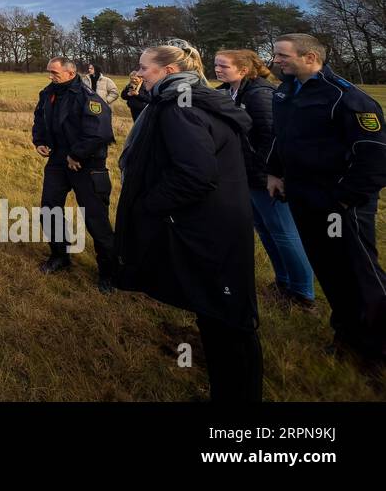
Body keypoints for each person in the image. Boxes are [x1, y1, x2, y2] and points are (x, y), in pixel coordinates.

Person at [115, 43, 261, 402]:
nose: (138, 74)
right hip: (220, 223)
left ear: (167, 71)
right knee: (219, 314)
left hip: (207, 227)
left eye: (144, 68)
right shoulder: (194, 98)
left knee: (226, 321)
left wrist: (149, 205)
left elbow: (195, 174)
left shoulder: (178, 108)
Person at [269, 33, 386, 364]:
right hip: (303, 198)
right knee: (330, 270)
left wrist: (343, 200)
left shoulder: (347, 98)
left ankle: (376, 349)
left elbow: (374, 159)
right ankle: (348, 334)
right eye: (275, 55)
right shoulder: (284, 92)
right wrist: (274, 173)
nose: (275, 61)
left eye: (282, 56)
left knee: (360, 273)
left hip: (340, 205)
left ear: (310, 58)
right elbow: (282, 138)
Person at [215, 48, 315, 310]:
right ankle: (283, 282)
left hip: (265, 176)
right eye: (216, 65)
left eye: (224, 66)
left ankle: (303, 292)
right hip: (248, 173)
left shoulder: (259, 94)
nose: (218, 70)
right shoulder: (231, 91)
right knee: (266, 229)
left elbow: (272, 137)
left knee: (283, 232)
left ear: (244, 69)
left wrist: (270, 174)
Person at [31, 57, 117, 290]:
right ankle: (60, 256)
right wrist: (39, 141)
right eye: (49, 72)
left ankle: (109, 272)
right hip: (58, 162)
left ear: (70, 73)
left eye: (54, 73)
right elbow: (39, 119)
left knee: (95, 218)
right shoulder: (47, 94)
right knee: (49, 210)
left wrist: (76, 155)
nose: (50, 76)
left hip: (86, 163)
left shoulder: (88, 97)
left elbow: (100, 132)